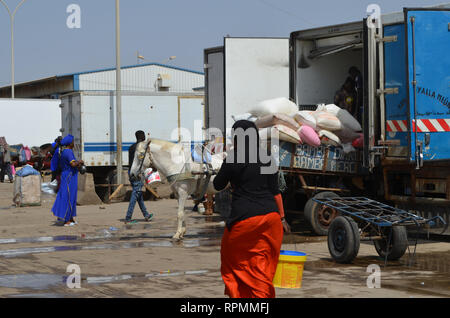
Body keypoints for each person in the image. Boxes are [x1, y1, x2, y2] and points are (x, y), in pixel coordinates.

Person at [213, 120, 290, 298]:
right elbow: (275, 192)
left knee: (235, 262)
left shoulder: (233, 157)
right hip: (271, 220)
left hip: (244, 220)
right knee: (261, 266)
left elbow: (217, 185)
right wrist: (283, 218)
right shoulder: (268, 157)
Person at [51, 135, 84, 226]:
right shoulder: (68, 152)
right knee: (68, 197)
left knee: (71, 197)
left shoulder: (65, 151)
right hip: (69, 176)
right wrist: (80, 162)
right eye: (73, 141)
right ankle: (66, 220)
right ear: (70, 143)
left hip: (69, 175)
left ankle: (71, 218)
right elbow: (73, 164)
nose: (74, 143)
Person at [124, 130, 153, 224]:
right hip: (137, 173)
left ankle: (146, 215)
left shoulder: (131, 147)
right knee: (135, 194)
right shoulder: (140, 148)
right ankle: (128, 218)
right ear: (143, 137)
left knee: (139, 194)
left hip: (131, 172)